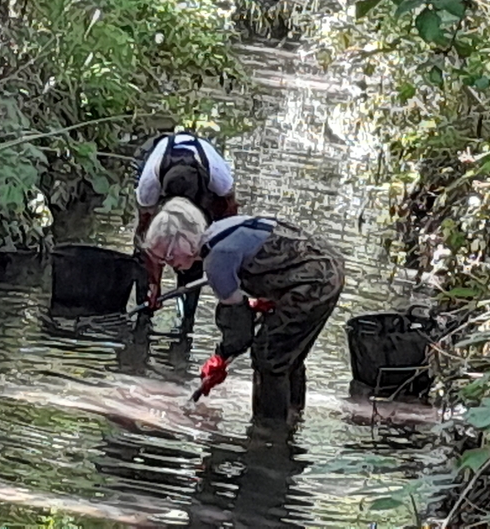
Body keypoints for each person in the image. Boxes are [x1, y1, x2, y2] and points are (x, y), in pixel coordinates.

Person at [141, 198, 345, 423]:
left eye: (169, 255)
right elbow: (272, 265)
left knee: (268, 356)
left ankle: (268, 431)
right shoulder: (222, 230)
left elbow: (240, 331)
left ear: (184, 239)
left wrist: (220, 357)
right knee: (288, 355)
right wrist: (267, 300)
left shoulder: (216, 262)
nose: (171, 265)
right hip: (327, 269)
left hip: (314, 283)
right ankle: (294, 416)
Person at [132, 132, 238, 332]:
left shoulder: (219, 179)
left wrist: (212, 259)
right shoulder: (149, 186)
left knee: (194, 264)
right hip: (157, 168)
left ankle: (186, 321)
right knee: (143, 257)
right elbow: (144, 232)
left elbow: (229, 222)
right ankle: (143, 314)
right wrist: (154, 281)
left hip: (205, 190)